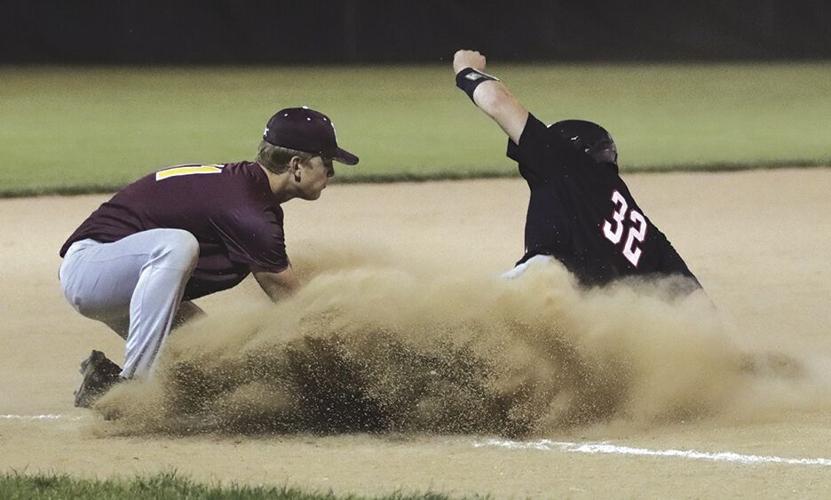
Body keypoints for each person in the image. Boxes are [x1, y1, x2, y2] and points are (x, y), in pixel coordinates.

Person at [59, 106, 358, 407]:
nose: (331, 171)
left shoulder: (247, 193)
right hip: (92, 267)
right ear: (296, 165)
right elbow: (294, 303)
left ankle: (103, 389)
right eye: (327, 161)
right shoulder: (248, 211)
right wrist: (351, 356)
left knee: (208, 362)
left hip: (130, 279)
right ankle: (132, 384)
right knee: (178, 245)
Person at [452, 49, 700, 290]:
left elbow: (497, 101)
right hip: (601, 315)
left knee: (454, 305)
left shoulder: (567, 162)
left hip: (551, 284)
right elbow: (694, 301)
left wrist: (465, 69)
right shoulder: (647, 235)